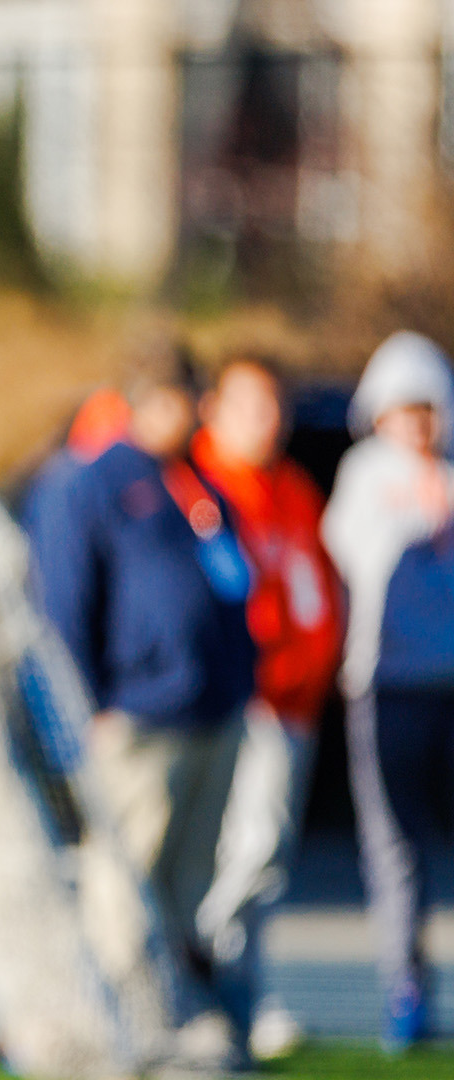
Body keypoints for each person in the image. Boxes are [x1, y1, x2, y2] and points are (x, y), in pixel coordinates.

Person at [28, 348, 255, 1069]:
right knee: (125, 888)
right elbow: (63, 602)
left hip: (208, 716)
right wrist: (87, 708)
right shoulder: (92, 482)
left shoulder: (196, 485)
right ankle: (118, 1025)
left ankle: (177, 1022)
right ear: (158, 398)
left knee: (185, 888)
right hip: (139, 719)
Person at [189, 355, 343, 1060]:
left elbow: (315, 593)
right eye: (251, 405)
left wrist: (312, 675)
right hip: (227, 704)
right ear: (215, 408)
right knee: (234, 851)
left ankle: (240, 997)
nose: (267, 421)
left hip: (288, 705)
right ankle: (204, 979)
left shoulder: (292, 490)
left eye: (274, 405)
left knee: (266, 855)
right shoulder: (197, 487)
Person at [322, 330, 454, 1054]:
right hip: (388, 686)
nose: (417, 424)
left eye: (426, 408)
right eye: (402, 408)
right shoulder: (366, 476)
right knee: (395, 845)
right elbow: (357, 558)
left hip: (448, 683)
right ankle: (402, 986)